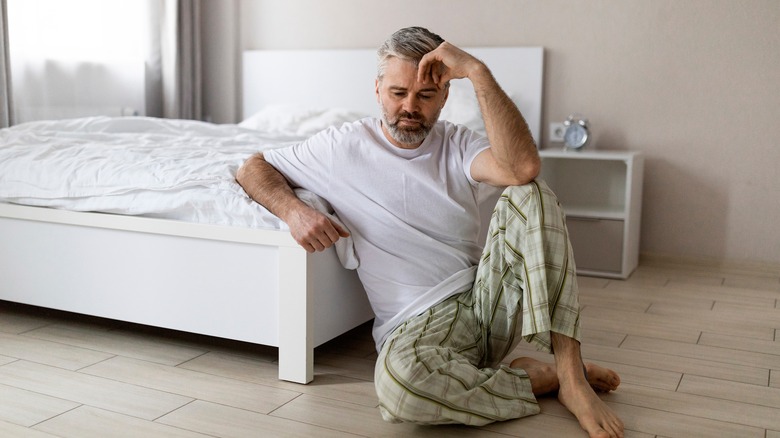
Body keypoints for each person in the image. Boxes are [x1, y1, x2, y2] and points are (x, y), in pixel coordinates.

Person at [236, 26, 624, 438]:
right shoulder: (341, 147)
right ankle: (536, 381)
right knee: (399, 389)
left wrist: (475, 70)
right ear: (377, 89)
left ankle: (572, 376)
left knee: (532, 194)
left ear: (444, 96)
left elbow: (522, 168)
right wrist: (293, 211)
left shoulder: (458, 143)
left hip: (485, 301)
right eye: (398, 92)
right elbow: (252, 167)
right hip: (412, 326)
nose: (409, 107)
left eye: (424, 95)